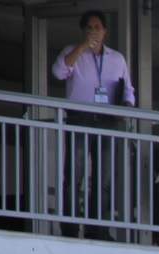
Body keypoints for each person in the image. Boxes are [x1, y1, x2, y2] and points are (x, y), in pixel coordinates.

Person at [52, 10, 135, 239]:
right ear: (83, 30)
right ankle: (69, 228)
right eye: (89, 27)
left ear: (105, 31)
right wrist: (82, 48)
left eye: (97, 27)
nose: (93, 31)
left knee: (103, 178)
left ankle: (96, 229)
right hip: (79, 117)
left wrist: (126, 106)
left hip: (107, 121)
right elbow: (58, 72)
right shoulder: (72, 52)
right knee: (74, 176)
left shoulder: (117, 59)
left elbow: (128, 89)